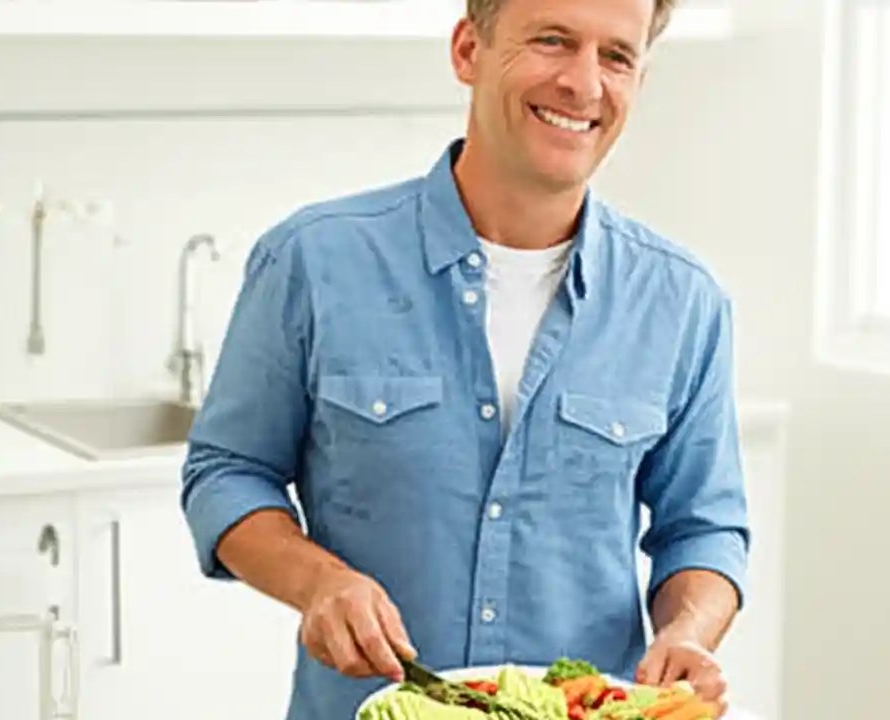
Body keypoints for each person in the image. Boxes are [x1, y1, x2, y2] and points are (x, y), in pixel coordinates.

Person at [179, 0, 750, 717]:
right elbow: (227, 473)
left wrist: (687, 633)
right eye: (552, 40)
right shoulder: (314, 260)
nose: (584, 84)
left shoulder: (682, 300)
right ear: (467, 50)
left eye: (616, 56)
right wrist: (319, 583)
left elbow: (703, 528)